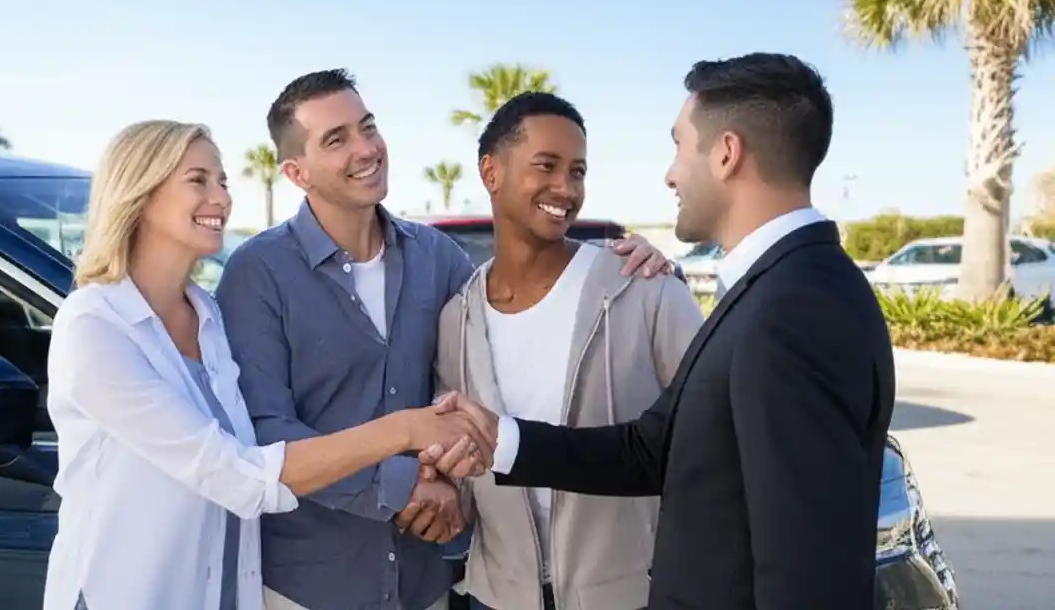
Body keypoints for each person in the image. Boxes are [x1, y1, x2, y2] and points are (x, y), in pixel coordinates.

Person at [423, 53, 896, 610]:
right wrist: (502, 439)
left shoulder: (797, 309)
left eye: (679, 145)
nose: (671, 173)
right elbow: (654, 449)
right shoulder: (774, 291)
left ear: (726, 154)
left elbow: (808, 570)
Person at [214, 69, 674, 610]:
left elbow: (480, 362)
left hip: (428, 581)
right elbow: (267, 433)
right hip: (311, 587)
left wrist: (628, 258)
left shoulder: (439, 258)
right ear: (296, 171)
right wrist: (405, 483)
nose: (366, 149)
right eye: (336, 140)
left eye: (368, 127)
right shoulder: (257, 271)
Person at [42, 120, 494, 610]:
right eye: (198, 180)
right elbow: (235, 472)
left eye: (223, 181)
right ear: (140, 193)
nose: (221, 198)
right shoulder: (94, 326)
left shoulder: (208, 316)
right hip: (128, 595)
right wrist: (406, 430)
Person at [430, 91, 705, 610]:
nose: (566, 188)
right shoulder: (456, 321)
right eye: (546, 166)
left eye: (577, 171)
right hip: (496, 597)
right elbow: (462, 463)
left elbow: (711, 443)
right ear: (491, 172)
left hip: (628, 596)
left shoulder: (644, 290)